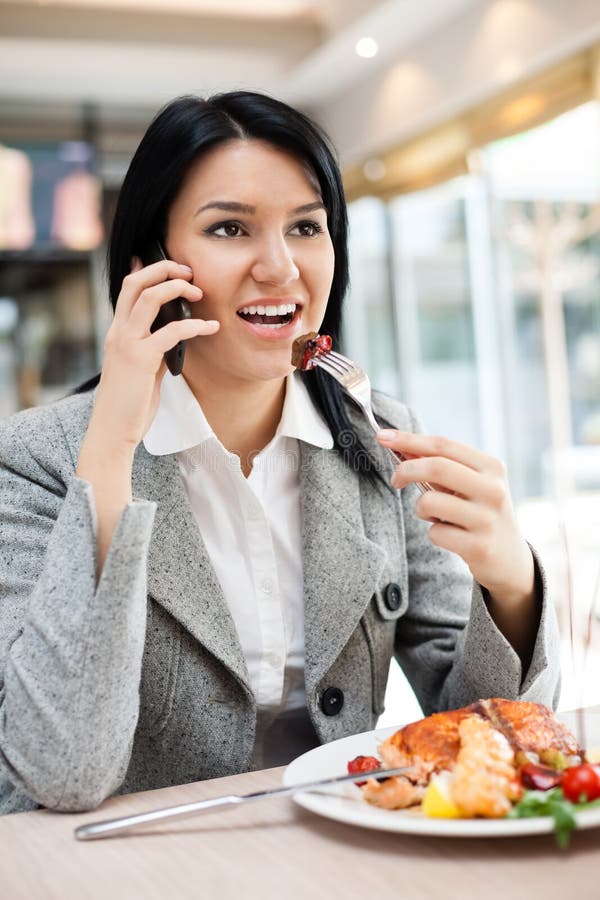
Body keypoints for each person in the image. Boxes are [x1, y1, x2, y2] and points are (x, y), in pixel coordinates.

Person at [0, 92, 559, 816]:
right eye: (230, 228)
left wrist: (509, 581)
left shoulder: (377, 439)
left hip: (342, 858)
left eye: (305, 226)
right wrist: (108, 457)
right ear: (150, 267)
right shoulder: (35, 459)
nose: (279, 267)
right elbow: (62, 774)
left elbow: (490, 745)